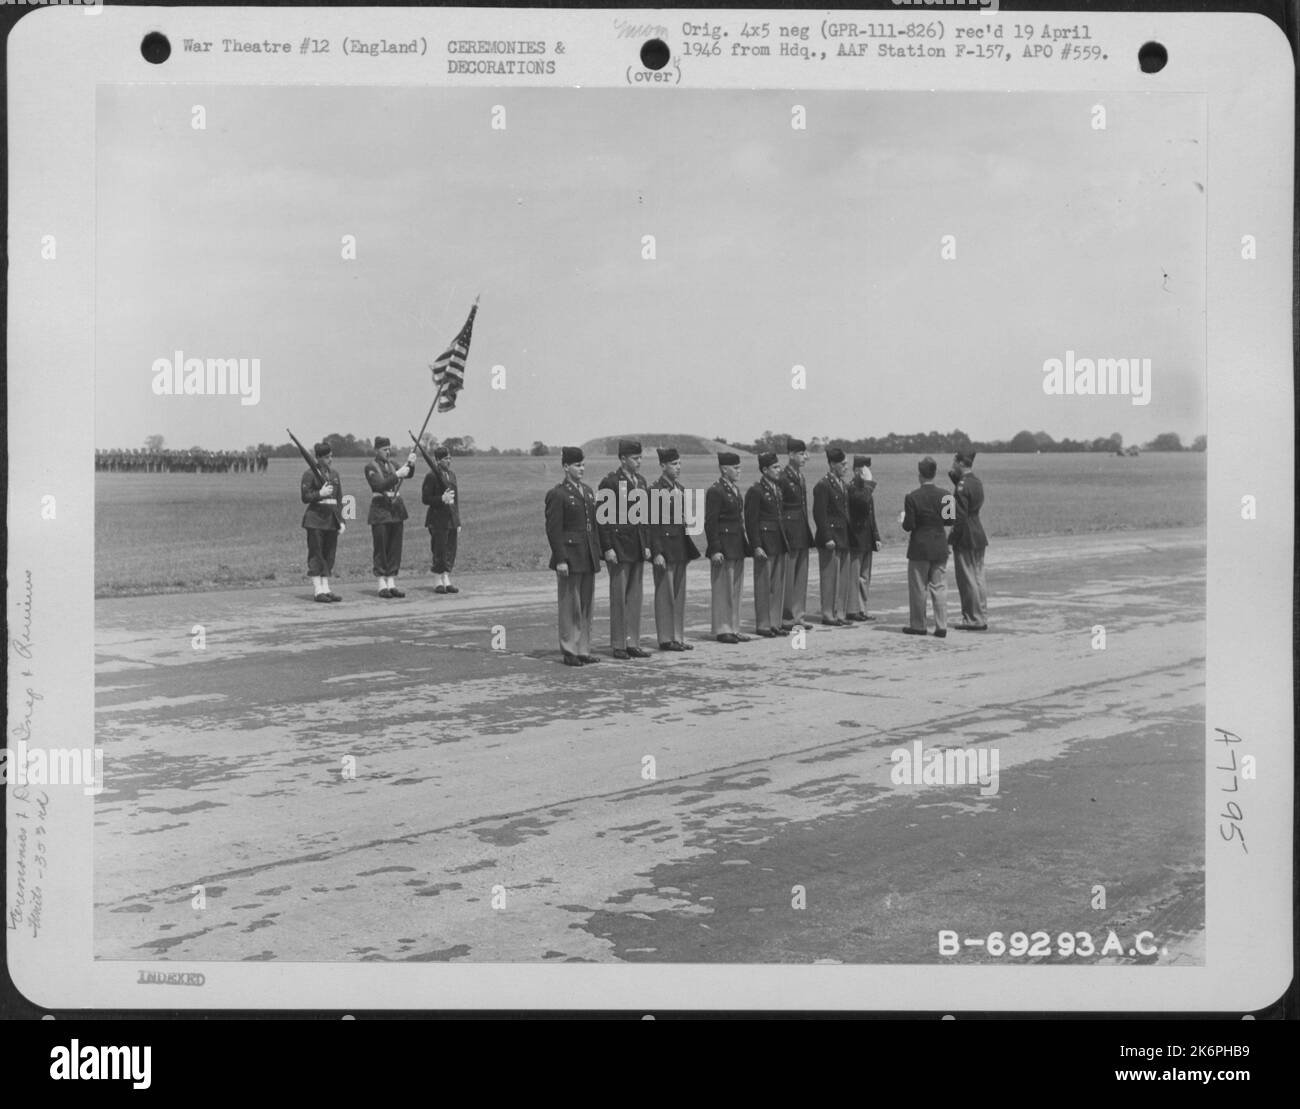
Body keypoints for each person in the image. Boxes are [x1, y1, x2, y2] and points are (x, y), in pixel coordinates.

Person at [545, 447, 603, 666]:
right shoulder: (558, 494)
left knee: (587, 605)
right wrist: (560, 558)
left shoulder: (587, 492)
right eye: (577, 465)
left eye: (583, 465)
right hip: (569, 556)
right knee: (571, 606)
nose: (582, 469)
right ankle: (570, 649)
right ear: (565, 467)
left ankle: (583, 649)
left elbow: (594, 526)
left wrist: (597, 552)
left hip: (587, 555)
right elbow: (553, 529)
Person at [597, 439, 652, 660]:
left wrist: (647, 544)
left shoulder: (641, 481)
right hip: (619, 547)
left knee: (635, 597)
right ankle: (619, 644)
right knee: (619, 597)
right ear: (622, 459)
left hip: (637, 545)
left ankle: (633, 642)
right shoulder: (610, 482)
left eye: (640, 458)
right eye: (635, 458)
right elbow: (603, 518)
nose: (639, 462)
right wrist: (608, 547)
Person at [647, 447, 700, 652]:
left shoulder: (681, 489)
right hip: (665, 549)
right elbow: (652, 525)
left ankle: (677, 636)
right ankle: (666, 638)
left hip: (680, 547)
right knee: (664, 595)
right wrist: (657, 552)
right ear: (662, 466)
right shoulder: (654, 491)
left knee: (678, 596)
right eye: (673, 464)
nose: (678, 468)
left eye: (679, 464)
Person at [901, 456, 955, 637]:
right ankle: (941, 625)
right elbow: (950, 520)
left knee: (919, 588)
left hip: (919, 547)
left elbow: (909, 525)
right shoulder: (947, 495)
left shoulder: (912, 497)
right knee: (939, 587)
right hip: (940, 546)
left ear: (920, 475)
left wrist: (905, 519)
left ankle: (919, 625)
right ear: (934, 473)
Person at [704, 451, 751, 644]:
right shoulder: (716, 491)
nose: (739, 471)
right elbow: (711, 522)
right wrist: (715, 548)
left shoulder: (733, 489)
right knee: (723, 590)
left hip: (736, 544)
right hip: (724, 546)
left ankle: (733, 627)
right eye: (736, 468)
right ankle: (723, 629)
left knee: (735, 590)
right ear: (724, 469)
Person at [364, 436, 417, 598]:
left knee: (395, 547)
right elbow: (379, 485)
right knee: (381, 547)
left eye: (389, 449)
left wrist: (411, 464)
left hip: (396, 511)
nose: (388, 452)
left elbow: (407, 474)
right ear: (376, 450)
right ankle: (381, 584)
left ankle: (391, 582)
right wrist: (397, 475)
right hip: (380, 510)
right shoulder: (370, 467)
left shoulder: (393, 464)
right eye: (384, 449)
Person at [744, 451, 788, 637]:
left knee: (777, 586)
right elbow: (751, 521)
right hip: (765, 543)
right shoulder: (756, 491)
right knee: (763, 586)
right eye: (775, 467)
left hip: (778, 541)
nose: (779, 470)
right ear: (764, 470)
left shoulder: (777, 489)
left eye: (779, 466)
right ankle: (763, 624)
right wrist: (756, 545)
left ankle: (775, 623)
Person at [948, 451, 989, 630]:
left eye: (955, 461)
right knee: (979, 577)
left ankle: (971, 618)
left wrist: (951, 538)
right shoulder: (976, 482)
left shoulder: (961, 487)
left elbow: (959, 516)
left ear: (960, 463)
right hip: (978, 531)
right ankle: (980, 615)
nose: (953, 464)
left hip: (966, 535)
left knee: (967, 579)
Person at [777, 438, 815, 631]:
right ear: (791, 455)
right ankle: (787, 616)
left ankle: (799, 615)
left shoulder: (800, 477)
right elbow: (780, 509)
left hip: (801, 529)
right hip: (790, 531)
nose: (804, 457)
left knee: (801, 576)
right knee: (789, 576)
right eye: (801, 454)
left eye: (805, 453)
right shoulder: (783, 477)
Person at [813, 447, 852, 626]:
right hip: (831, 538)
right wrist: (827, 536)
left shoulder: (842, 484)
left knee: (843, 578)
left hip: (843, 536)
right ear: (832, 464)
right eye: (842, 464)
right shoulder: (823, 485)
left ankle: (840, 612)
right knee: (830, 578)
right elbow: (819, 514)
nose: (846, 467)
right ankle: (828, 613)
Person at [300, 441, 343, 603]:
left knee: (329, 555)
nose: (330, 459)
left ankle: (326, 588)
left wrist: (343, 520)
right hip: (315, 519)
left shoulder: (334, 474)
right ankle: (318, 590)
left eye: (331, 456)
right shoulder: (309, 474)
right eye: (326, 457)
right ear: (318, 458)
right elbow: (305, 497)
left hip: (332, 520)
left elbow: (340, 498)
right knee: (316, 554)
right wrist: (320, 493)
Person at [422, 446, 462, 594]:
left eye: (449, 458)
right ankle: (438, 580)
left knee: (451, 549)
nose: (449, 461)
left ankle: (446, 578)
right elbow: (425, 499)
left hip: (451, 518)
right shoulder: (431, 476)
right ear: (438, 460)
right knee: (439, 549)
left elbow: (456, 499)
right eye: (445, 458)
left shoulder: (452, 475)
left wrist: (458, 520)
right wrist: (440, 499)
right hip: (437, 519)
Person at [846, 455, 881, 622]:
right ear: (856, 471)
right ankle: (854, 609)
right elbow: (862, 502)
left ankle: (862, 608)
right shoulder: (852, 488)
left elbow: (871, 515)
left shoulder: (866, 488)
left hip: (867, 537)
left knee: (865, 577)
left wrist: (876, 536)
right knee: (855, 576)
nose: (867, 472)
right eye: (863, 469)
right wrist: (869, 483)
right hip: (856, 538)